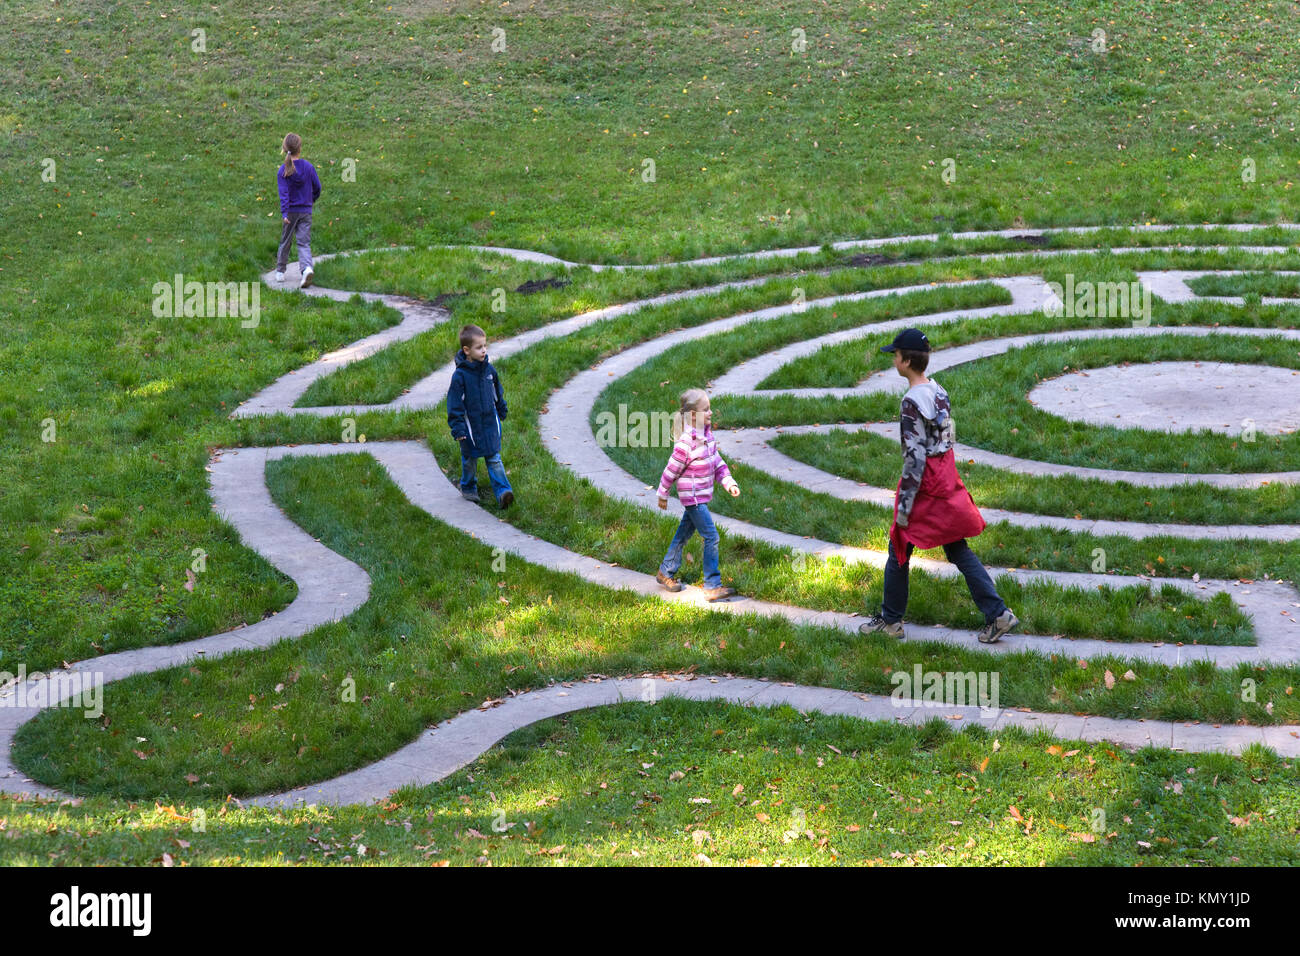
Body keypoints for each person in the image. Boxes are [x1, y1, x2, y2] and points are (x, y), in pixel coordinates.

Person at [859, 328, 1018, 643]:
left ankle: (891, 621)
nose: (894, 359)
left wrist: (904, 505)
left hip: (925, 484)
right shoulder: (938, 391)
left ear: (905, 361)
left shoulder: (910, 403)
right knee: (957, 546)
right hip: (945, 475)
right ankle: (998, 614)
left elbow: (914, 458)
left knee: (899, 544)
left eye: (895, 355)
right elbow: (947, 438)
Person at [655, 389, 741, 602]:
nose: (711, 412)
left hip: (700, 495)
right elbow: (671, 469)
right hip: (693, 497)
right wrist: (663, 493)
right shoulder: (687, 442)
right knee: (711, 536)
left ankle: (666, 571)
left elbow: (717, 462)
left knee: (683, 534)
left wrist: (728, 481)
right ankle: (712, 584)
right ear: (693, 415)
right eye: (706, 409)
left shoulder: (708, 436)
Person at [447, 325, 514, 508]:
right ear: (466, 350)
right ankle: (468, 486)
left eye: (485, 346)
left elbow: (496, 393)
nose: (484, 350)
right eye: (479, 347)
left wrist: (501, 407)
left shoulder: (489, 371)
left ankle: (503, 492)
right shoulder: (460, 377)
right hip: (470, 429)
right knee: (470, 460)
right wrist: (458, 427)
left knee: (494, 459)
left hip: (490, 424)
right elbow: (454, 405)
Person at [274, 133, 322, 289]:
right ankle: (307, 269)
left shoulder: (283, 170)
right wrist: (311, 200)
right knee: (304, 243)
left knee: (286, 240)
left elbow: (284, 194)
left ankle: (280, 271)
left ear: (285, 148)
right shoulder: (309, 167)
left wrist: (285, 212)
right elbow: (317, 187)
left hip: (291, 212)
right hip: (306, 211)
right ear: (299, 148)